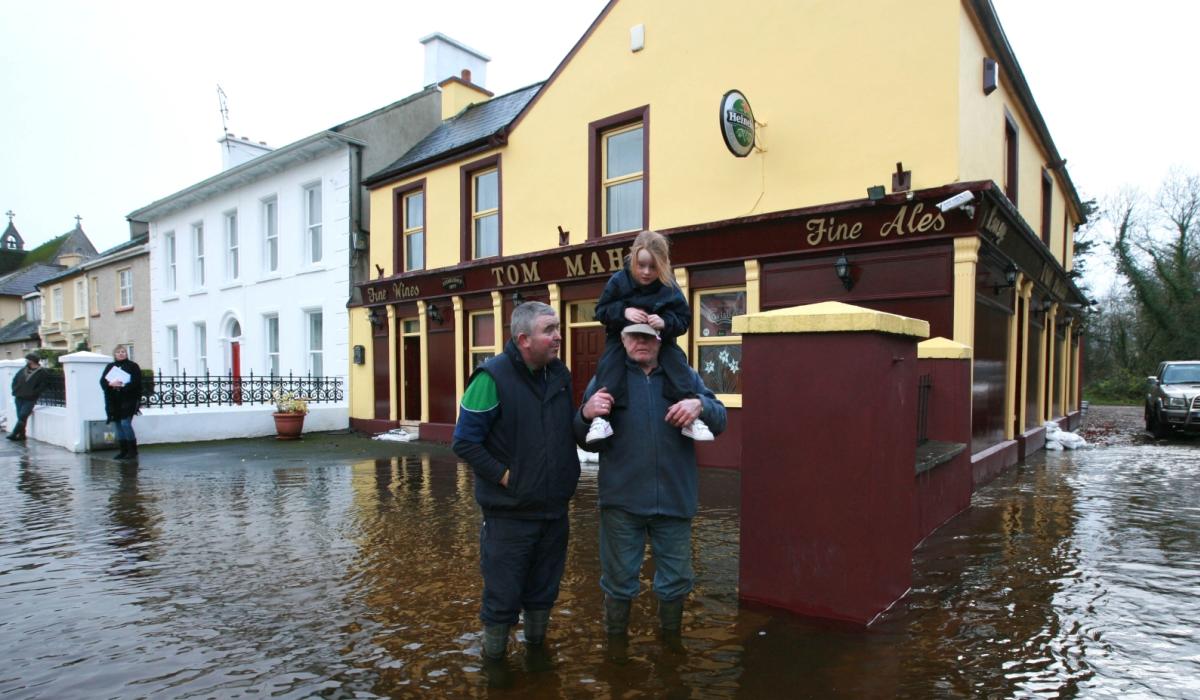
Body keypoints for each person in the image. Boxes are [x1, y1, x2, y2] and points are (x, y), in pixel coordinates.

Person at [575, 323, 726, 656]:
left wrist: (700, 404)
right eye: (633, 335)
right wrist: (585, 414)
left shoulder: (683, 376)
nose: (640, 341)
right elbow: (580, 435)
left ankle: (671, 650)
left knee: (675, 583)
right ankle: (617, 657)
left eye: (647, 335)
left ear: (661, 339)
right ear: (623, 339)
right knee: (618, 583)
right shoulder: (607, 378)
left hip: (674, 500)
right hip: (621, 503)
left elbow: (720, 419)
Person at [452, 302, 581, 668]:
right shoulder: (490, 378)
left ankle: (537, 663)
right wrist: (508, 477)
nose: (558, 336)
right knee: (502, 600)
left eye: (557, 328)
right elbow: (464, 442)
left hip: (554, 512)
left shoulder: (559, 374)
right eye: (550, 329)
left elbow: (560, 429)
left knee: (543, 594)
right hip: (509, 516)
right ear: (524, 339)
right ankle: (496, 673)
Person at [586, 229, 713, 444]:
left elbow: (684, 319)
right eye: (641, 265)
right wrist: (623, 312)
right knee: (609, 367)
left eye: (653, 267)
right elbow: (601, 311)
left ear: (663, 265)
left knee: (678, 365)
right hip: (621, 338)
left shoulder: (669, 285)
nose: (646, 272)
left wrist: (664, 322)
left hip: (661, 340)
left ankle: (691, 416)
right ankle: (601, 418)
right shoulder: (618, 280)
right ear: (633, 258)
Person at [100, 345, 143, 460]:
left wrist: (122, 386)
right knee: (118, 424)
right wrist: (110, 384)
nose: (121, 353)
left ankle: (132, 450)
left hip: (129, 399)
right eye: (118, 352)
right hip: (114, 400)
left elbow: (136, 382)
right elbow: (103, 381)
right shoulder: (110, 366)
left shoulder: (133, 366)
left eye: (123, 351)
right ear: (114, 354)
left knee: (125, 423)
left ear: (126, 353)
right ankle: (123, 451)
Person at [7, 352, 50, 441]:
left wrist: (34, 393)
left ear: (32, 361)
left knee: (23, 415)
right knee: (20, 416)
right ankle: (22, 435)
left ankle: (14, 433)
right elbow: (15, 379)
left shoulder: (42, 372)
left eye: (28, 359)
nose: (26, 361)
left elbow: (43, 385)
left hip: (30, 398)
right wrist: (15, 389)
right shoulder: (23, 370)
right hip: (19, 396)